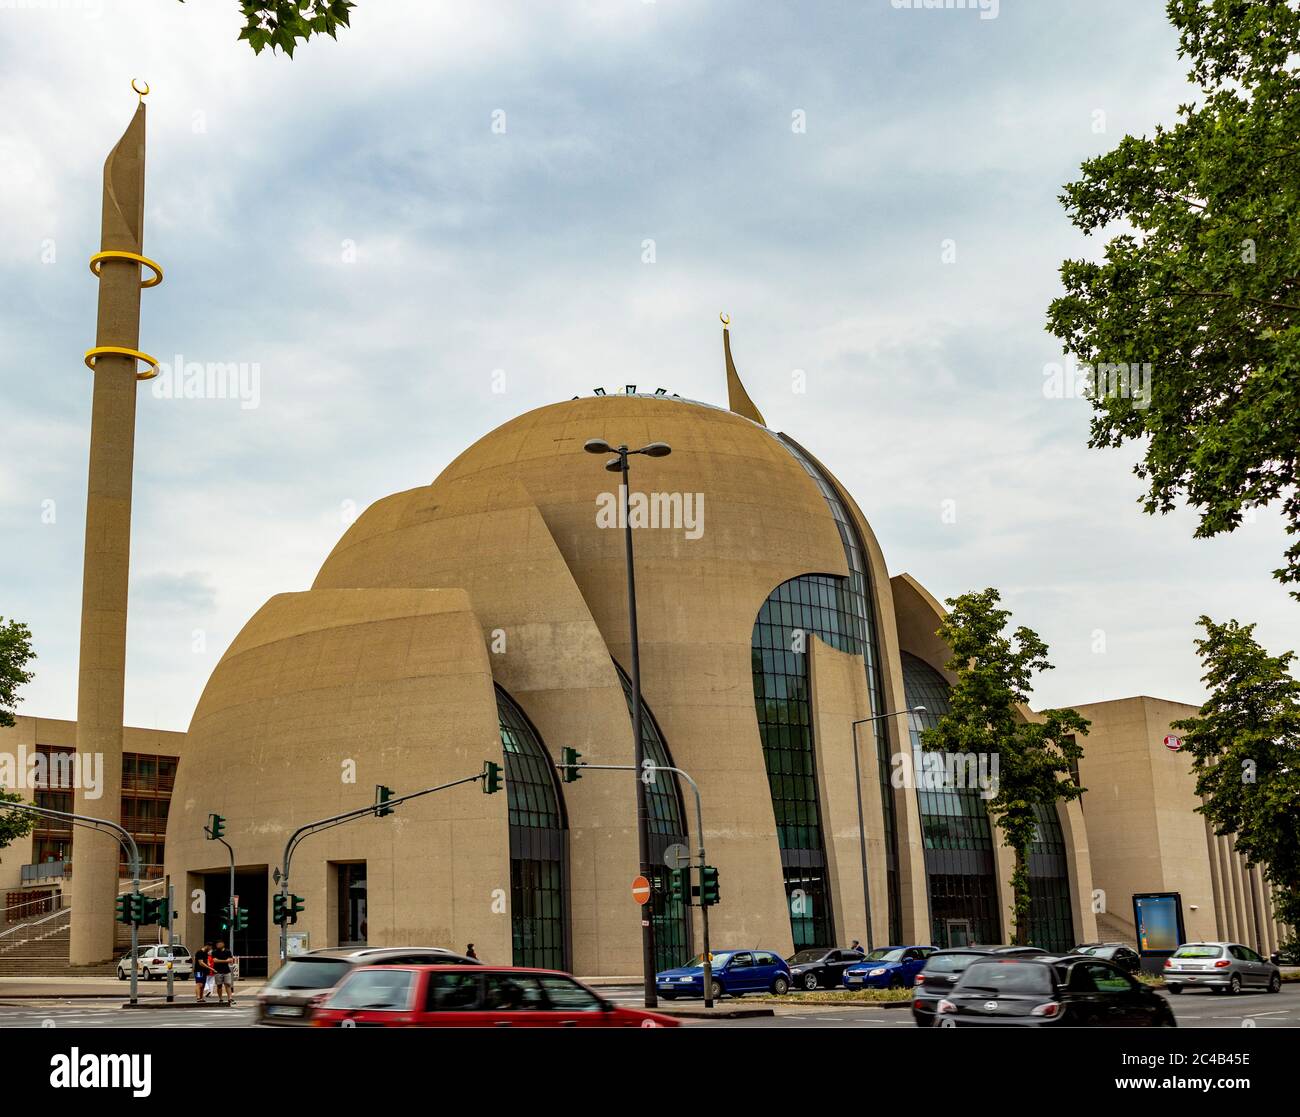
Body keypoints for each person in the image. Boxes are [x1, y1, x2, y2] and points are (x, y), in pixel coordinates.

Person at [210, 938, 237, 1006]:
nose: (218, 945)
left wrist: (221, 960)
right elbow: (215, 960)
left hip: (226, 970)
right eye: (217, 944)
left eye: (219, 944)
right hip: (217, 971)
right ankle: (220, 998)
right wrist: (225, 961)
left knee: (228, 984)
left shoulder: (228, 951)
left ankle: (230, 998)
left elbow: (230, 960)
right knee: (219, 985)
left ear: (223, 944)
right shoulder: (214, 952)